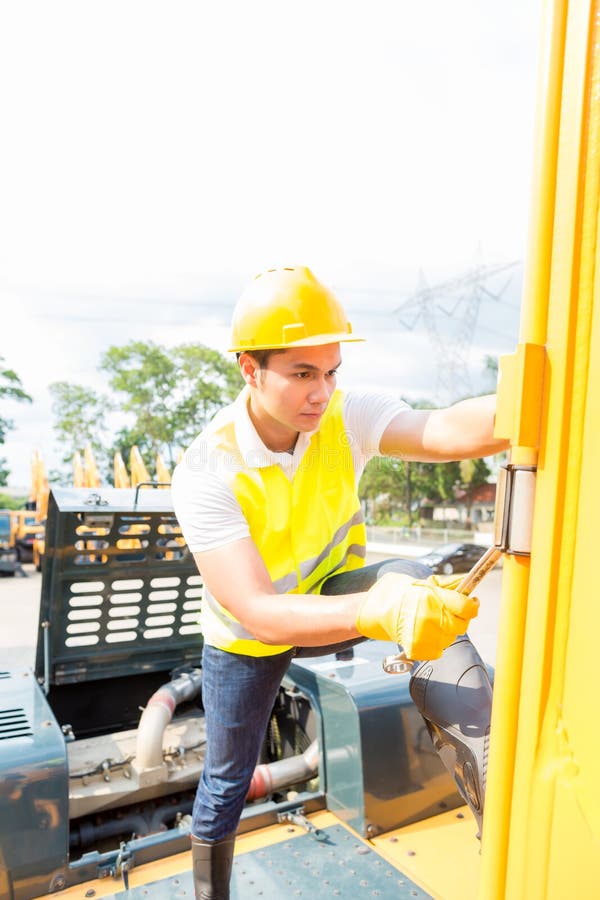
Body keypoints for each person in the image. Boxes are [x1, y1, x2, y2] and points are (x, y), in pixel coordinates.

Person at [171, 266, 508, 899]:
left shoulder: (345, 417)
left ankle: (492, 777)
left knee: (413, 581)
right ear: (250, 368)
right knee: (226, 777)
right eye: (302, 373)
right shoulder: (206, 469)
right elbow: (260, 611)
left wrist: (542, 395)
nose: (320, 392)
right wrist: (378, 612)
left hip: (330, 596)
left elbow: (445, 430)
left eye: (330, 372)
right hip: (249, 638)